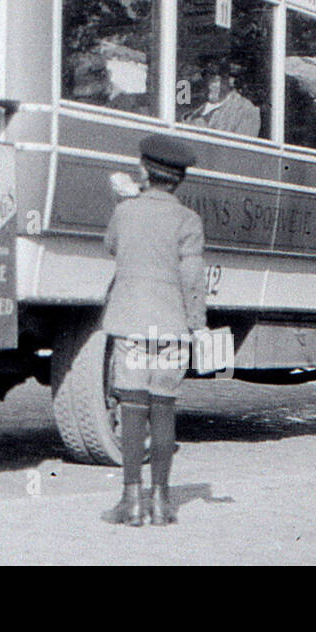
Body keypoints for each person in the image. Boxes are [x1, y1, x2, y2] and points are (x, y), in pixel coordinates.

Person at [102, 134, 206, 527]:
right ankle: (162, 503)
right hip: (171, 325)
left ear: (144, 172)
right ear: (178, 179)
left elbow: (110, 246)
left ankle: (130, 501)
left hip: (130, 321)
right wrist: (196, 326)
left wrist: (122, 203)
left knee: (132, 410)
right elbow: (193, 281)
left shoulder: (126, 211)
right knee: (164, 410)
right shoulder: (188, 220)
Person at [183, 56, 261, 137]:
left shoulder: (245, 111)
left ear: (231, 80)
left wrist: (202, 126)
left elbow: (242, 147)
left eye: (216, 81)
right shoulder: (196, 108)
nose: (210, 85)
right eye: (208, 79)